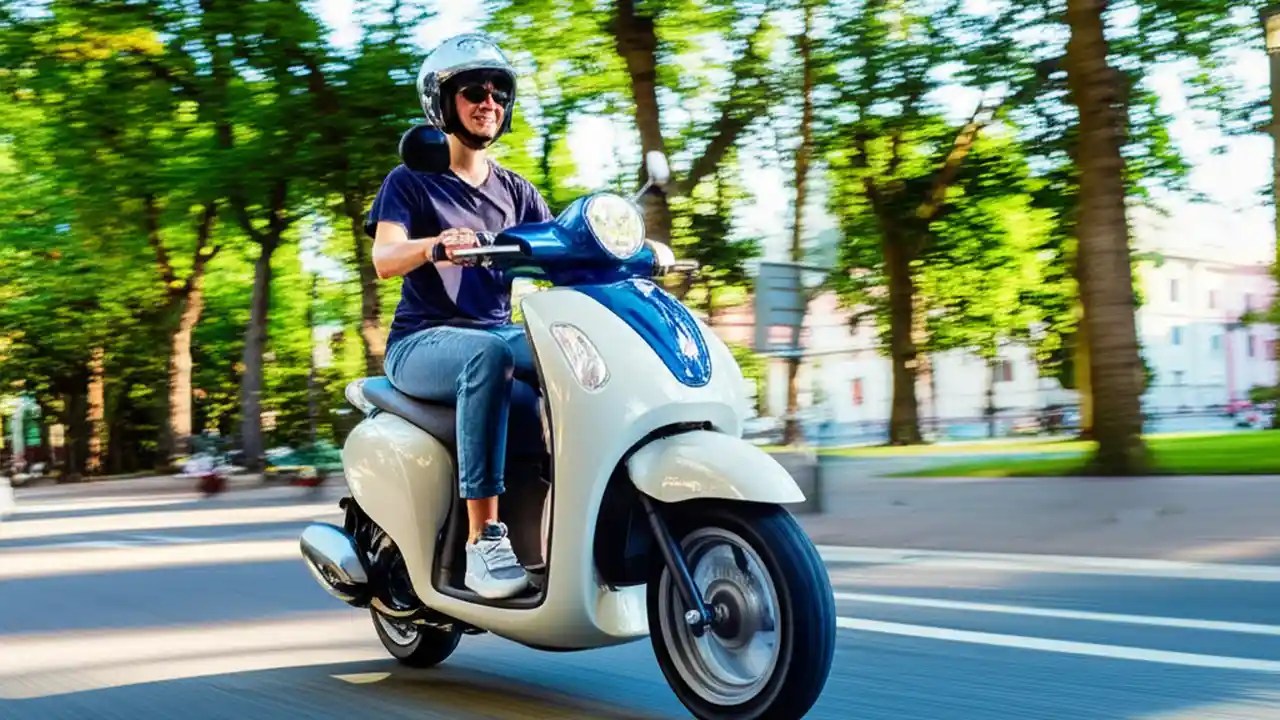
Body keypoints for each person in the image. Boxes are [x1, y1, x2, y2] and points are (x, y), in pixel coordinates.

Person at [364, 34, 552, 600]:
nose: (488, 102)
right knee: (488, 354)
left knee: (569, 352)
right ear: (443, 104)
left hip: (495, 333)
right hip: (422, 342)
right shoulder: (409, 180)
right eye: (474, 91)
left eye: (499, 92)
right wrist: (435, 245)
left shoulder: (517, 191)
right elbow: (384, 259)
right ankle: (482, 542)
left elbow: (560, 252)